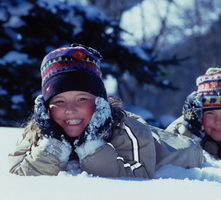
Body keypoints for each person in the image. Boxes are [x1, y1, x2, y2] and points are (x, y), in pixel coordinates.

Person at [8, 44, 203, 177]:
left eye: (82, 99)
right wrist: (52, 145)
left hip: (174, 149)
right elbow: (18, 173)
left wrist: (92, 145)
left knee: (186, 144)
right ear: (46, 108)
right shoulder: (39, 130)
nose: (71, 109)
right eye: (59, 101)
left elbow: (137, 176)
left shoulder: (130, 131)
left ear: (99, 102)